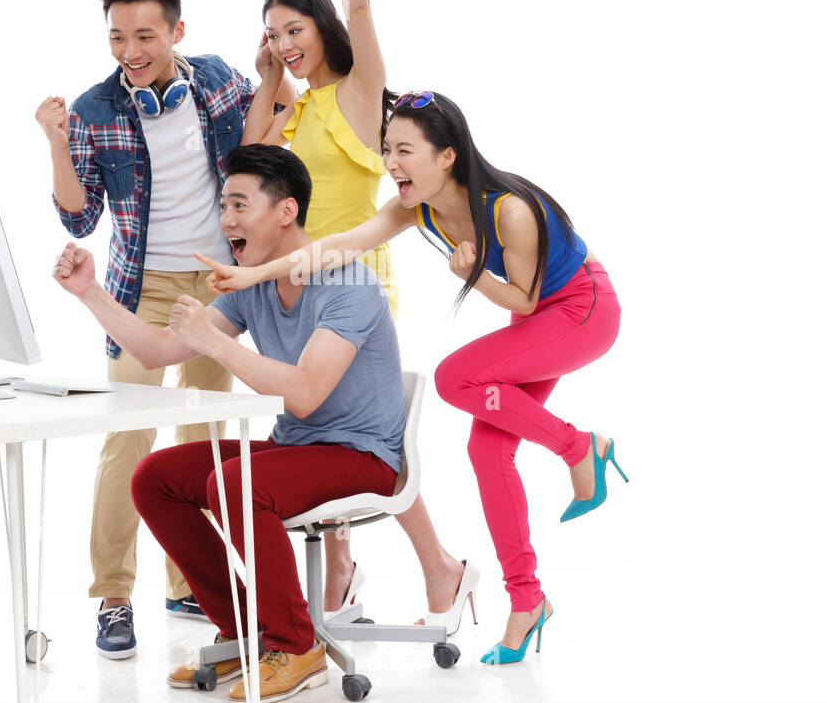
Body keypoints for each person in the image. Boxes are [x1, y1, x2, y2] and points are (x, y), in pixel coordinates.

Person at [204, 92, 626, 665]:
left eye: (404, 149)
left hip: (581, 309)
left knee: (456, 378)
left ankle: (582, 448)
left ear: (446, 156)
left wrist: (469, 273)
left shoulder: (509, 211)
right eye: (386, 149)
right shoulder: (413, 206)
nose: (390, 162)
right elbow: (338, 247)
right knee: (486, 450)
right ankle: (528, 602)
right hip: (538, 316)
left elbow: (525, 299)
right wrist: (251, 270)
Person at [52, 144, 406, 703]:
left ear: (286, 211)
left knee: (235, 481)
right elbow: (157, 350)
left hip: (364, 457)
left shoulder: (349, 283)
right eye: (223, 206)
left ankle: (296, 647)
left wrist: (213, 341)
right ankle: (245, 630)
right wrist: (90, 293)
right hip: (299, 451)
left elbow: (307, 393)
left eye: (239, 205)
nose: (226, 220)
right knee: (155, 476)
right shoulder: (254, 284)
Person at [232, 0, 479, 634]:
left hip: (351, 284)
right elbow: (243, 172)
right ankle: (343, 568)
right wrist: (267, 83)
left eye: (293, 30)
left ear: (321, 24)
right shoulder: (297, 104)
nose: (284, 45)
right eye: (272, 33)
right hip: (288, 286)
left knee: (362, 439)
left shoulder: (360, 94)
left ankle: (428, 566)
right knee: (319, 440)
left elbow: (363, 8)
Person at [34, 0, 294, 660]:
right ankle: (114, 595)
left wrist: (270, 74)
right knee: (128, 440)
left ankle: (187, 582)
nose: (130, 51)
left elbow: (263, 142)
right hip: (140, 289)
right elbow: (80, 214)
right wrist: (58, 142)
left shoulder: (215, 81)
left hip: (217, 287)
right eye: (118, 37)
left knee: (206, 442)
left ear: (177, 31)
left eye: (145, 35)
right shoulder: (94, 109)